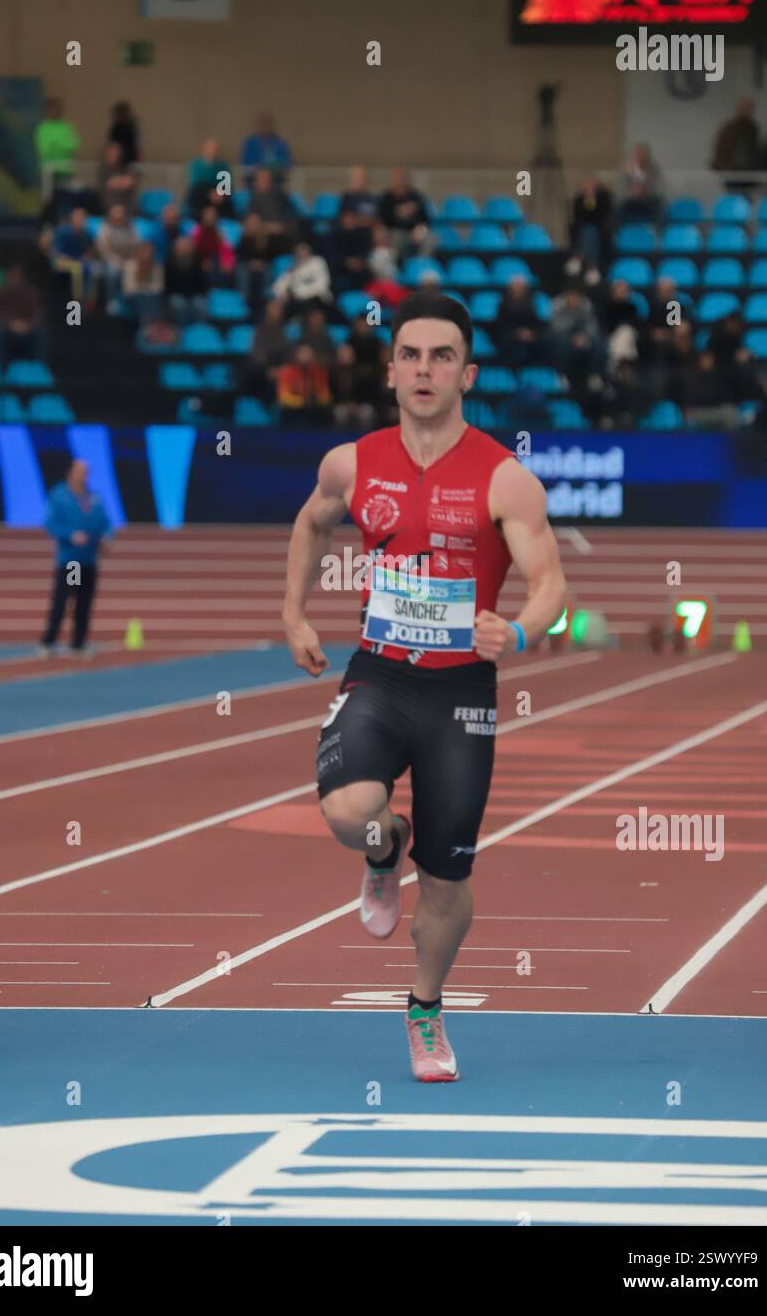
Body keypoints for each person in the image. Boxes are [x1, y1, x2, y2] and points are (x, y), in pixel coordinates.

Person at [281, 290, 566, 1083]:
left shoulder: (505, 480)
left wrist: (517, 631)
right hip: (379, 671)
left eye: (442, 356)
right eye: (410, 355)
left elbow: (550, 582)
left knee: (448, 879)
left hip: (460, 693)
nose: (424, 369)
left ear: (467, 372)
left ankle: (425, 1009)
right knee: (347, 810)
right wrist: (294, 613)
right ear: (391, 369)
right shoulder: (353, 462)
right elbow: (312, 522)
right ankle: (382, 851)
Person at [39, 458, 113, 658]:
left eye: (86, 472)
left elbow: (106, 523)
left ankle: (78, 642)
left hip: (89, 559)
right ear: (71, 472)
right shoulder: (60, 495)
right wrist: (70, 535)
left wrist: (106, 537)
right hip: (72, 561)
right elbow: (51, 524)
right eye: (81, 471)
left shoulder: (93, 497)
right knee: (63, 600)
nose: (84, 475)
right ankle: (49, 641)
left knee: (84, 601)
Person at [0, 264, 47, 364]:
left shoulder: (31, 293)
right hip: (6, 328)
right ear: (7, 276)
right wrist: (10, 324)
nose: (15, 278)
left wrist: (28, 325)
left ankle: (37, 366)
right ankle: (2, 367)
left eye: (17, 276)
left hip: (27, 328)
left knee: (41, 332)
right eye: (12, 275)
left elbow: (38, 314)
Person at [34, 97, 82, 204]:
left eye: (58, 109)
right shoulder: (42, 128)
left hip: (66, 170)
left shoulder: (67, 127)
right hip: (48, 172)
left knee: (68, 199)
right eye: (52, 109)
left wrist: (55, 145)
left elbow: (74, 145)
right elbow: (44, 149)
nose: (55, 112)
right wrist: (61, 145)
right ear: (47, 111)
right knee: (48, 201)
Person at [239, 113, 293, 186]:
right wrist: (259, 169)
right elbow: (246, 162)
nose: (264, 128)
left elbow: (286, 161)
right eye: (262, 125)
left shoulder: (279, 142)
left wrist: (273, 167)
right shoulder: (251, 142)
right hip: (254, 177)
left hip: (275, 177)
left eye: (267, 125)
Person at [107, 102, 140, 167]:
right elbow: (113, 144)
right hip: (118, 158)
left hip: (128, 157)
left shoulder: (131, 127)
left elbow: (135, 143)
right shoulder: (116, 127)